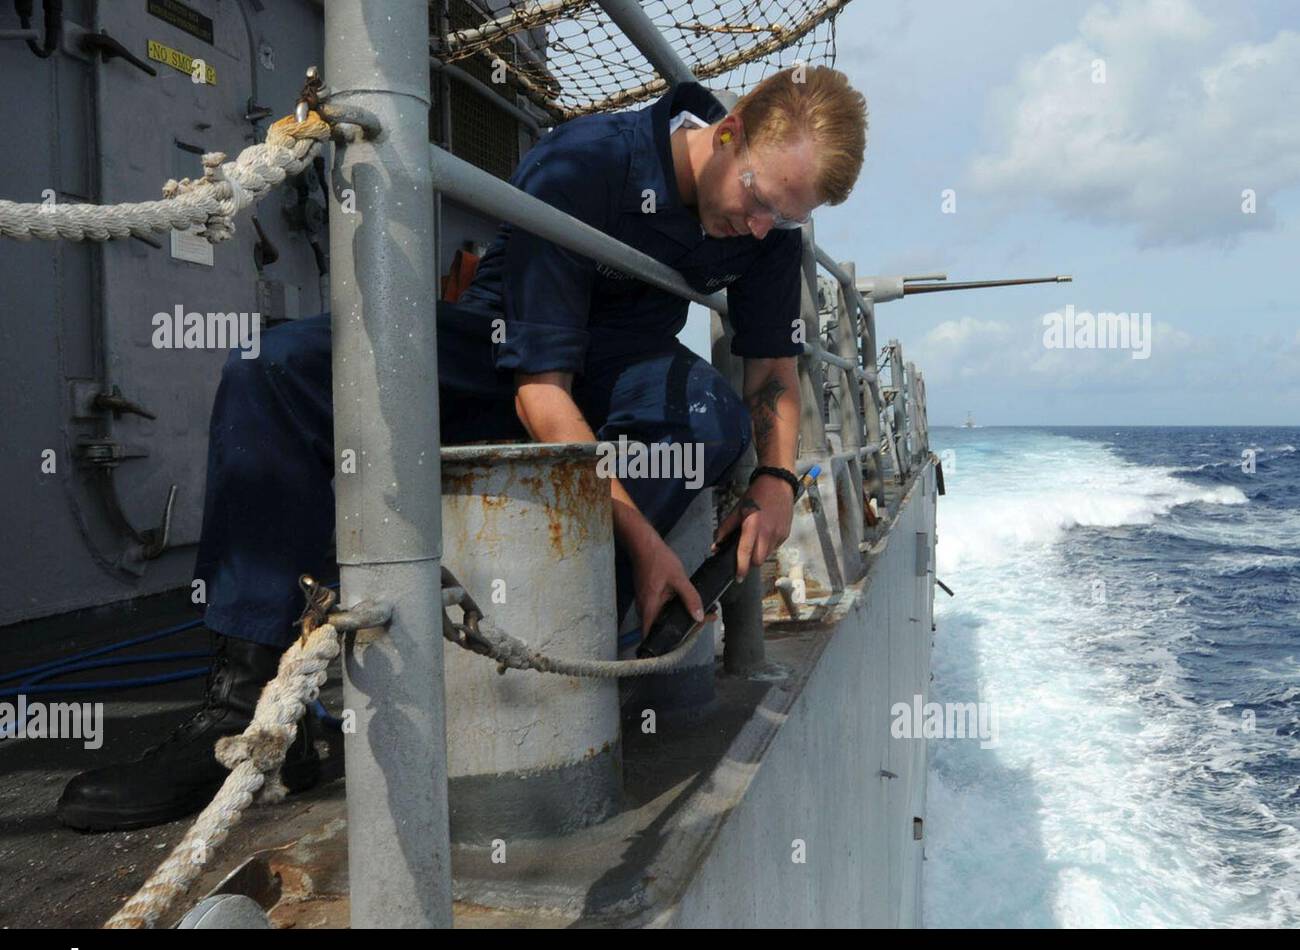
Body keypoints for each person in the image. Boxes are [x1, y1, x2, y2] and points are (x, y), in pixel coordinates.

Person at [56, 66, 867, 831]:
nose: (760, 227)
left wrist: (774, 479)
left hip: (621, 364)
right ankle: (241, 709)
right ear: (728, 134)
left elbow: (771, 369)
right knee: (274, 368)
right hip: (499, 348)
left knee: (706, 413)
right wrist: (644, 539)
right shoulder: (587, 162)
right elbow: (540, 389)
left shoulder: (767, 229)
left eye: (786, 218)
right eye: (759, 198)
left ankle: (562, 664)